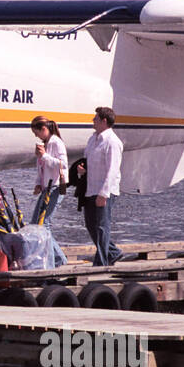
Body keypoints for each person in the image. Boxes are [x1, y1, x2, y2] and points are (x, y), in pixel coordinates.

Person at [76, 106, 124, 266]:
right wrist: (83, 171)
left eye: (95, 118)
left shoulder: (113, 142)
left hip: (105, 190)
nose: (93, 121)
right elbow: (89, 160)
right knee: (91, 225)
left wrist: (104, 194)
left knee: (102, 226)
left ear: (104, 121)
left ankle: (101, 262)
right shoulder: (93, 139)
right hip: (91, 188)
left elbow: (112, 169)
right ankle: (113, 252)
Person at [30, 116, 69, 226]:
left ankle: (48, 244)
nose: (35, 135)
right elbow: (42, 169)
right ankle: (44, 243)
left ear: (43, 129)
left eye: (36, 132)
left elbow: (64, 164)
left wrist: (44, 156)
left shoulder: (56, 142)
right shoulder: (45, 144)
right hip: (46, 188)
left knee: (43, 223)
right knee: (36, 223)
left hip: (55, 188)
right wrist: (38, 183)